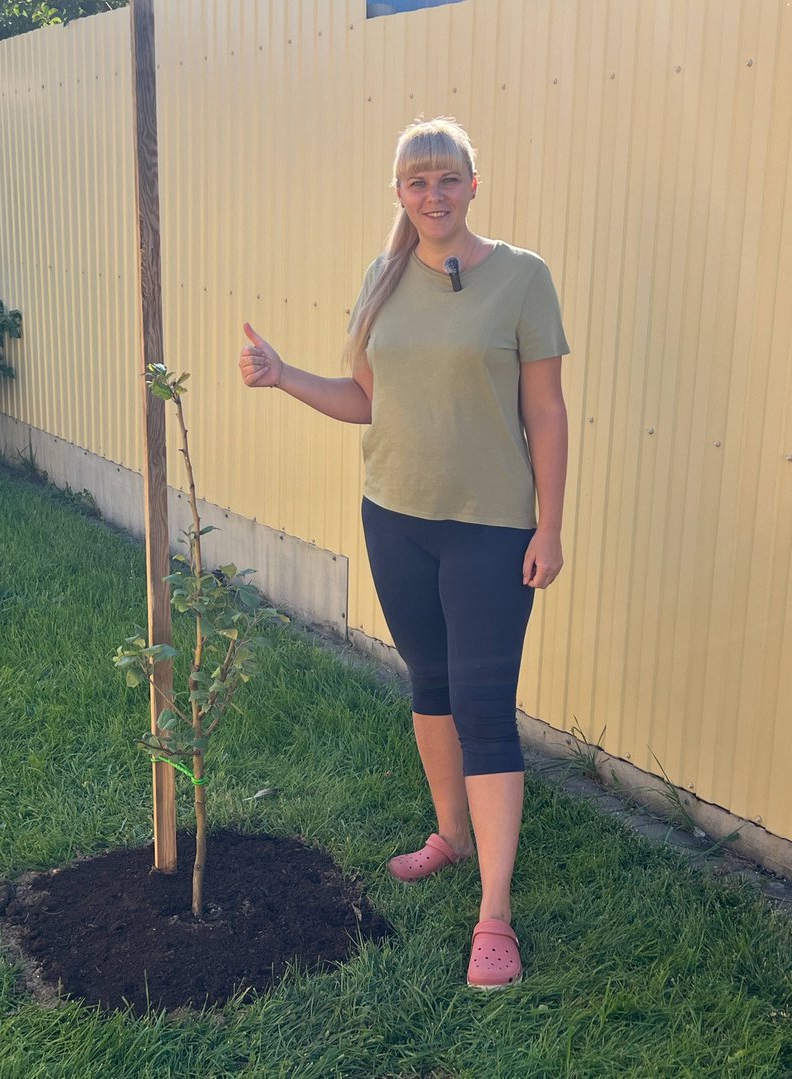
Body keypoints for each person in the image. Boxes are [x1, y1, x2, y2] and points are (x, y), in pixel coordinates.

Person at [236, 117, 570, 989]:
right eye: (417, 181)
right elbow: (367, 400)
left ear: (473, 184)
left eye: (448, 177)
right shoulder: (381, 280)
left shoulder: (522, 277)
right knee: (429, 683)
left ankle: (494, 913)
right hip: (395, 517)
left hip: (491, 528)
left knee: (483, 706)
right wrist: (283, 375)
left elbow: (546, 411)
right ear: (399, 193)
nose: (434, 194)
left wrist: (550, 524)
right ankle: (450, 835)